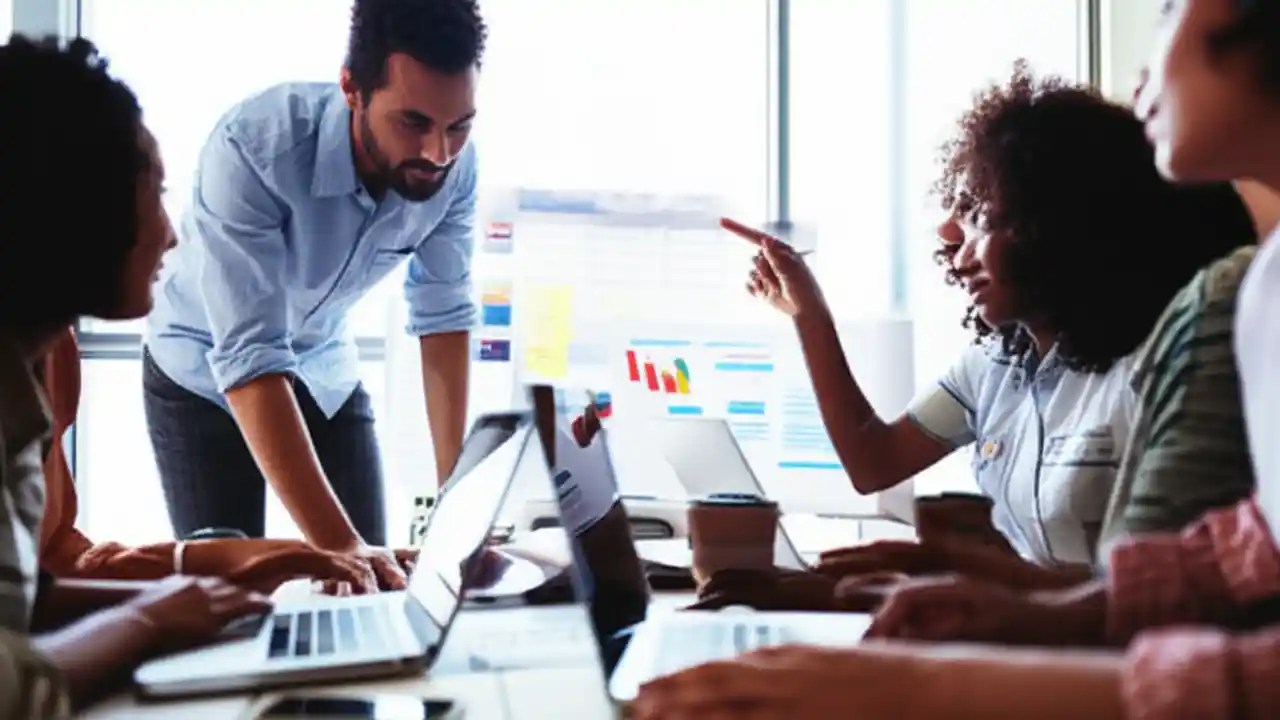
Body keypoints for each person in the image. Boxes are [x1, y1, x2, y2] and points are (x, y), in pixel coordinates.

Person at [631, 0, 1280, 717]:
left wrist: (934, 677)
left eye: (1168, 10)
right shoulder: (1259, 290)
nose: (1139, 73)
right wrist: (1008, 600)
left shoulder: (1213, 314)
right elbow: (1241, 555)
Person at [704, 64, 1254, 610]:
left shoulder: (1161, 362)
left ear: (1058, 226)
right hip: (1042, 646)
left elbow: (1156, 604)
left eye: (983, 218)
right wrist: (809, 314)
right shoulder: (996, 364)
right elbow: (873, 461)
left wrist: (940, 575)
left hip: (1099, 657)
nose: (957, 249)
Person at [142, 0, 487, 588]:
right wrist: (338, 544)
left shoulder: (453, 169)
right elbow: (250, 356)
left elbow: (443, 316)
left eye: (458, 125)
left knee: (373, 586)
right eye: (413, 123)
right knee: (231, 601)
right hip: (199, 372)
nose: (438, 154)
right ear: (352, 89)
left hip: (322, 367)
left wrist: (455, 505)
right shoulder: (253, 149)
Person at [0, 34, 269, 710]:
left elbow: (28, 596)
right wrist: (145, 619)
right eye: (155, 191)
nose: (170, 234)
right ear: (77, 203)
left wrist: (196, 595)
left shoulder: (41, 359)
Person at [38, 327, 400, 595]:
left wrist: (217, 560)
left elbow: (57, 560)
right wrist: (148, 617)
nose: (172, 240)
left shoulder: (51, 342)